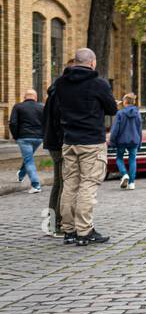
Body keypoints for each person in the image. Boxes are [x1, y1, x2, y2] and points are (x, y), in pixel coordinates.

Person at [56, 48, 118, 245]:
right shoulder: (98, 83)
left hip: (69, 140)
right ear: (92, 63)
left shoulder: (61, 83)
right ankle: (84, 230)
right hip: (91, 141)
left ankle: (68, 230)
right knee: (88, 184)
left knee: (70, 184)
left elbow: (57, 109)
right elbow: (111, 109)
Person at [41, 61, 75, 236]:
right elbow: (58, 121)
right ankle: (58, 224)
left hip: (53, 141)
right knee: (63, 183)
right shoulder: (60, 93)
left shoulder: (54, 91)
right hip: (59, 143)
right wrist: (65, 142)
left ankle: (52, 223)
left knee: (58, 183)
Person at [9, 88, 45, 194]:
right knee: (28, 158)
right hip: (38, 138)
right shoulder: (42, 107)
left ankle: (36, 185)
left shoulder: (18, 106)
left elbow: (13, 123)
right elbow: (46, 122)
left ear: (24, 97)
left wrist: (16, 136)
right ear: (36, 97)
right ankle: (21, 174)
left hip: (24, 138)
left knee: (29, 160)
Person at [108, 92, 142, 188]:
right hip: (134, 140)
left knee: (119, 158)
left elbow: (115, 129)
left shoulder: (120, 113)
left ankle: (124, 174)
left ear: (125, 102)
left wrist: (112, 141)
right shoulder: (137, 113)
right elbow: (139, 129)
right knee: (132, 160)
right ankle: (131, 183)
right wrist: (139, 142)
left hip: (121, 140)